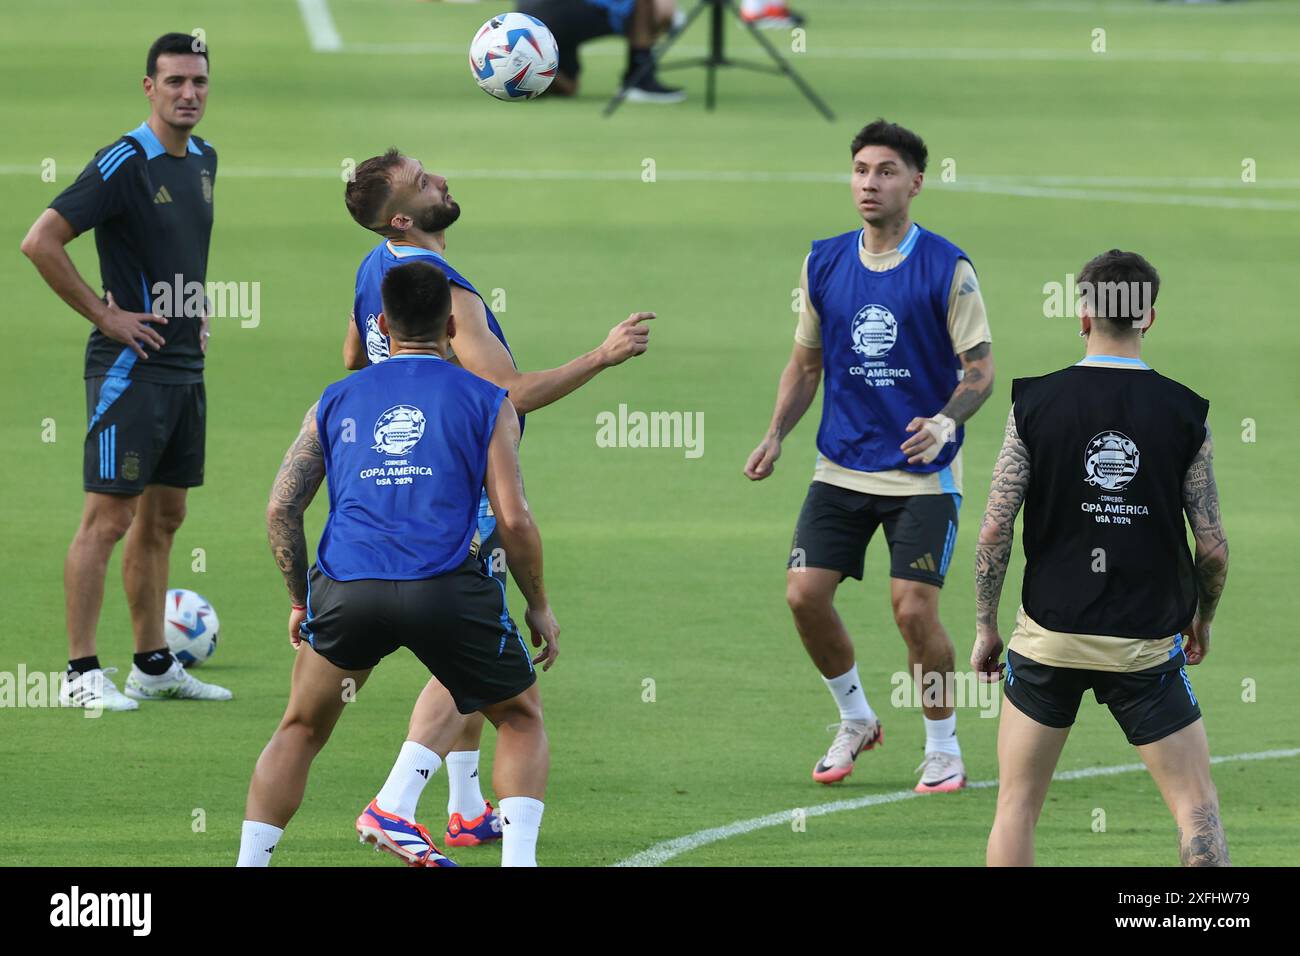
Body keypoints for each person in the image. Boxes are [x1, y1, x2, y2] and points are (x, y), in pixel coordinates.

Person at [342, 148, 652, 850]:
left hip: (395, 482)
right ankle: (395, 800)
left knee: (463, 647)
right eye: (423, 182)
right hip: (459, 485)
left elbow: (355, 356)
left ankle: (467, 805)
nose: (440, 180)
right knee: (481, 657)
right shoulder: (449, 295)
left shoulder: (375, 270)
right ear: (401, 217)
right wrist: (600, 357)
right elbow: (504, 392)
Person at [239, 261, 558, 867]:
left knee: (300, 729)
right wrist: (537, 603)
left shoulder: (334, 399)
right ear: (452, 326)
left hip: (347, 586)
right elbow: (513, 520)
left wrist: (300, 601)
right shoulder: (489, 401)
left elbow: (283, 506)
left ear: (382, 324)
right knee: (518, 717)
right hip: (446, 588)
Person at [744, 119, 994, 792]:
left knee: (913, 611)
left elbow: (980, 372)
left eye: (886, 171)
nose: (869, 183)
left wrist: (945, 423)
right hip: (841, 466)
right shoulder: (823, 261)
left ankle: (943, 746)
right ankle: (856, 718)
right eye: (860, 170)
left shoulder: (947, 267)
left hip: (923, 475)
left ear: (915, 182)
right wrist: (775, 433)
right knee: (803, 596)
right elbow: (805, 365)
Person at [971, 249, 1230, 867]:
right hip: (1144, 645)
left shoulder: (1034, 403)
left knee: (1016, 807)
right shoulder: (1184, 411)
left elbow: (993, 530)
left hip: (1047, 639)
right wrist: (1203, 620)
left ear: (1082, 316)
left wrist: (985, 626)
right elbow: (1213, 548)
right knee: (1196, 807)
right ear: (1150, 319)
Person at [21, 32, 230, 711]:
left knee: (165, 516)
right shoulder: (122, 161)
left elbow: (180, 249)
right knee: (106, 520)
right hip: (128, 370)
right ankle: (82, 672)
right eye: (174, 82)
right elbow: (40, 239)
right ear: (150, 88)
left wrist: (192, 307)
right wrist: (105, 316)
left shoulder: (204, 159)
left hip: (183, 367)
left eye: (198, 82)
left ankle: (152, 664)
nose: (188, 94)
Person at [518, 0, 685, 101]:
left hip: (527, 17)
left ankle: (525, 69)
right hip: (554, 11)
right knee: (652, 6)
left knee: (568, 87)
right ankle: (639, 80)